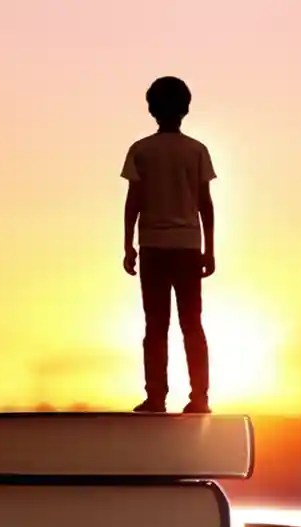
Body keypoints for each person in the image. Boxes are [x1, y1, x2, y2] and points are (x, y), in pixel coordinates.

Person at [121, 76, 215, 414]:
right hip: (188, 246)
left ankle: (156, 397)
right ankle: (199, 397)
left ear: (151, 108)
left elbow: (133, 201)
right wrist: (209, 248)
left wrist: (128, 244)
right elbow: (206, 203)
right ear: (186, 108)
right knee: (192, 323)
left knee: (155, 325)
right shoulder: (196, 150)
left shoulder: (141, 150)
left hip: (153, 247)